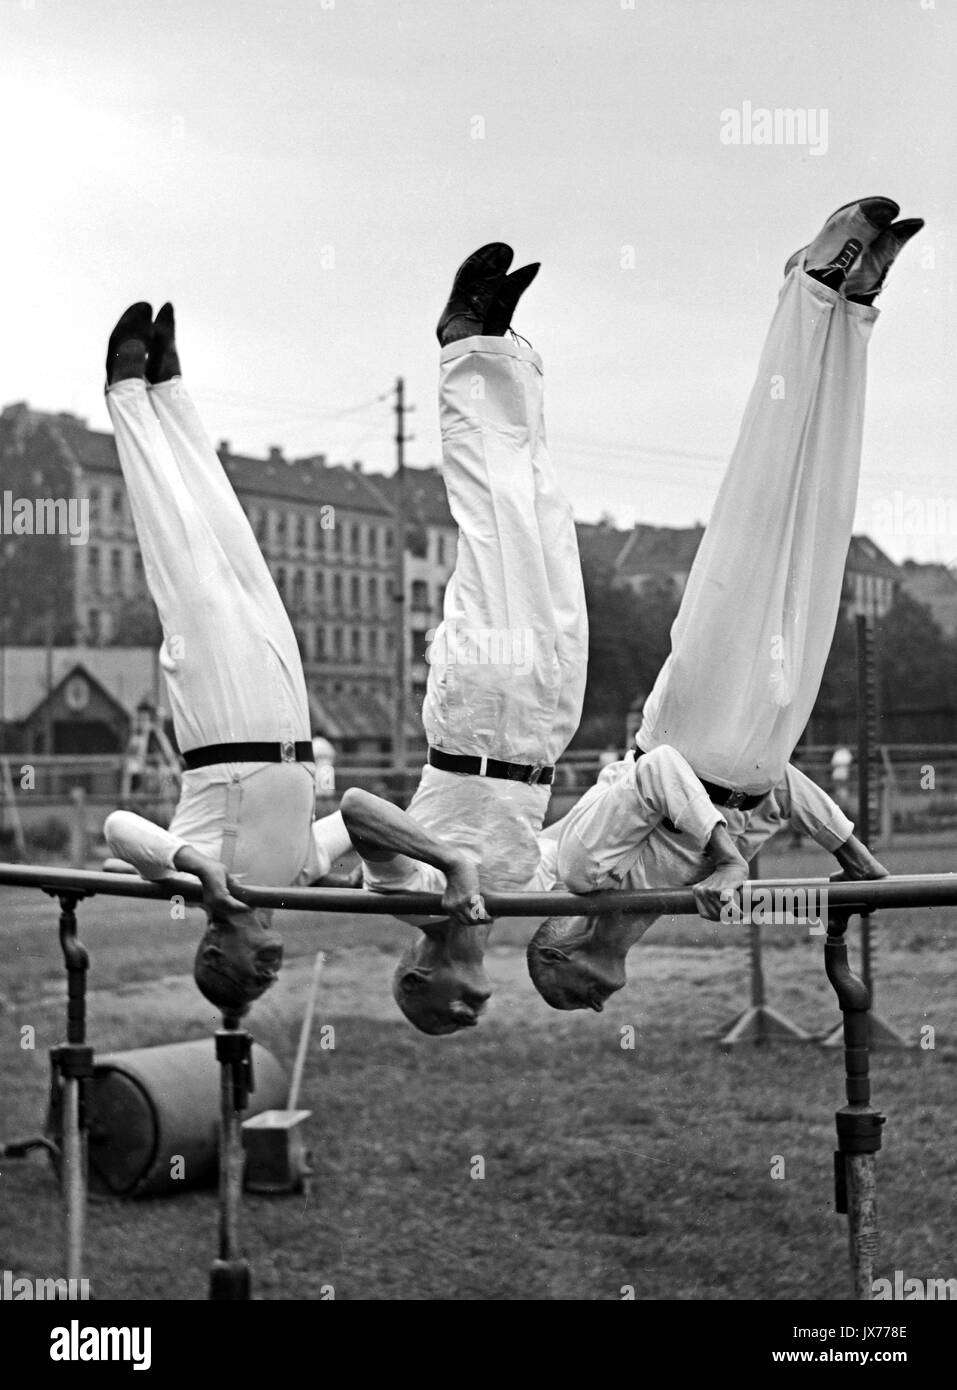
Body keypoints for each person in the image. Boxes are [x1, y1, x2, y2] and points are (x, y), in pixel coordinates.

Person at [526, 197, 921, 1012]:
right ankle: (852, 312)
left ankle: (810, 287)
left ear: (560, 949)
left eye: (579, 993)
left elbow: (657, 776)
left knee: (763, 494)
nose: (599, 1001)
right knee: (820, 520)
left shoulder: (579, 871)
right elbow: (776, 787)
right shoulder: (670, 898)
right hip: (758, 745)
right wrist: (853, 856)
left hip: (696, 722)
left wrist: (726, 857)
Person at [339, 243, 588, 1034]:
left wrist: (449, 864)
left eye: (452, 1012)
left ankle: (463, 343)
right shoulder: (510, 899)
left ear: (418, 976)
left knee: (493, 519)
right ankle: (506, 354)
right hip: (547, 717)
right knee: (544, 514)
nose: (476, 1012)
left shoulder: (403, 898)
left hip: (479, 713)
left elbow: (354, 808)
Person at [100, 303, 360, 1014]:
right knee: (237, 545)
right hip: (287, 715)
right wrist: (379, 875)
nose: (271, 972)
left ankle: (126, 390)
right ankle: (172, 391)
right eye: (268, 981)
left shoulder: (191, 887)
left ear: (215, 949)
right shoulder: (294, 876)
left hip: (220, 722)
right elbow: (358, 819)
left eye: (254, 975)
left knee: (182, 556)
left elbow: (118, 829)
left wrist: (199, 869)